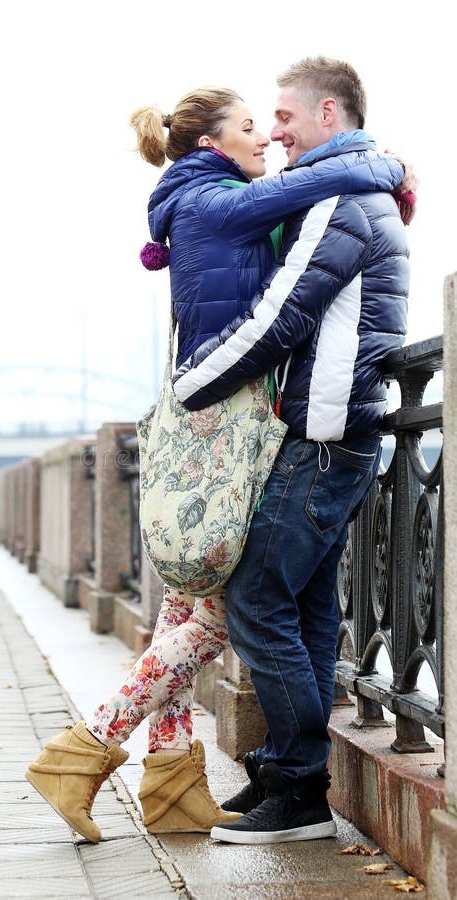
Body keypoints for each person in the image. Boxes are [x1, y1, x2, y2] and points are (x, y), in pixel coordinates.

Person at [25, 83, 412, 844]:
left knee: (188, 604)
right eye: (248, 125)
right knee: (208, 608)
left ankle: (169, 781)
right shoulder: (210, 202)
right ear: (211, 143)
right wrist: (382, 163)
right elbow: (313, 190)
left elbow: (299, 203)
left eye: (273, 122)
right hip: (221, 418)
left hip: (221, 419)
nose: (265, 136)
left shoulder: (212, 194)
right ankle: (86, 751)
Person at [172, 57, 412, 845]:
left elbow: (281, 316)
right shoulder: (352, 193)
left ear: (329, 115)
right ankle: (288, 773)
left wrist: (191, 387)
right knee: (304, 605)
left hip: (326, 435)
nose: (274, 134)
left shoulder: (346, 200)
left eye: (284, 117)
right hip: (332, 431)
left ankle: (301, 785)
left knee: (254, 597)